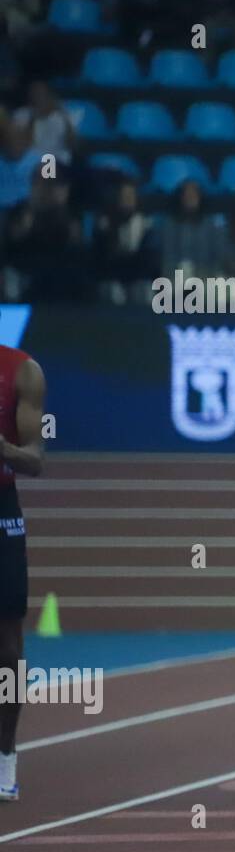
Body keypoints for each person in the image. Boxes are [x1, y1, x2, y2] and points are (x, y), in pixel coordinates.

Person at [0, 342, 47, 801]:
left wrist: (5, 449)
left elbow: (36, 458)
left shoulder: (21, 372)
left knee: (9, 642)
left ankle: (5, 758)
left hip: (1, 509)